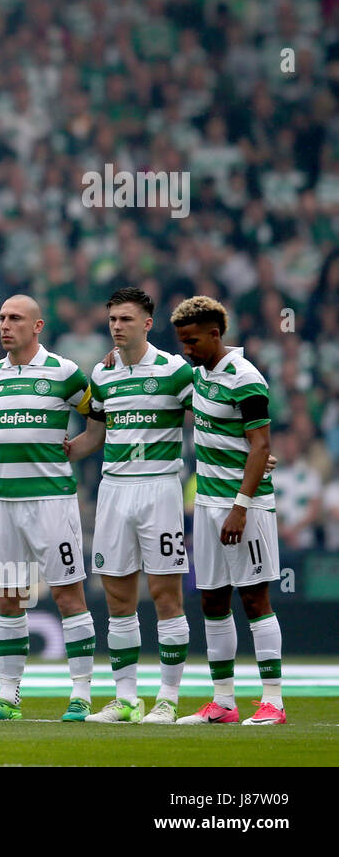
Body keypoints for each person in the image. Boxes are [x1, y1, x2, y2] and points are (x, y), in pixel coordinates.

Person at [0, 294, 97, 722]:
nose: (5, 325)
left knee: (67, 595)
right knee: (8, 598)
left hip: (52, 501)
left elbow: (102, 416)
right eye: (1, 318)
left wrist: (77, 449)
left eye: (15, 318)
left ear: (37, 327)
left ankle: (81, 696)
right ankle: (7, 698)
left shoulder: (64, 373)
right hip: (4, 502)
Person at [63, 288, 194, 724]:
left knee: (164, 595)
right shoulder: (102, 376)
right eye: (112, 319)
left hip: (159, 489)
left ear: (147, 323)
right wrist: (49, 451)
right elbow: (93, 438)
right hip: (114, 490)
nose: (117, 326)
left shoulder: (176, 372)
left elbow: (209, 421)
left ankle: (169, 698)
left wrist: (250, 451)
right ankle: (126, 699)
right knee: (118, 596)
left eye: (125, 319)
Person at [168, 297, 285, 725]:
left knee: (254, 598)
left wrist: (241, 506)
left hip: (245, 506)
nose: (187, 349)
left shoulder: (246, 378)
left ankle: (273, 701)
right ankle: (224, 702)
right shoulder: (199, 374)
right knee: (212, 600)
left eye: (193, 340)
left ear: (216, 334)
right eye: (182, 341)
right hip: (206, 505)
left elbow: (262, 446)